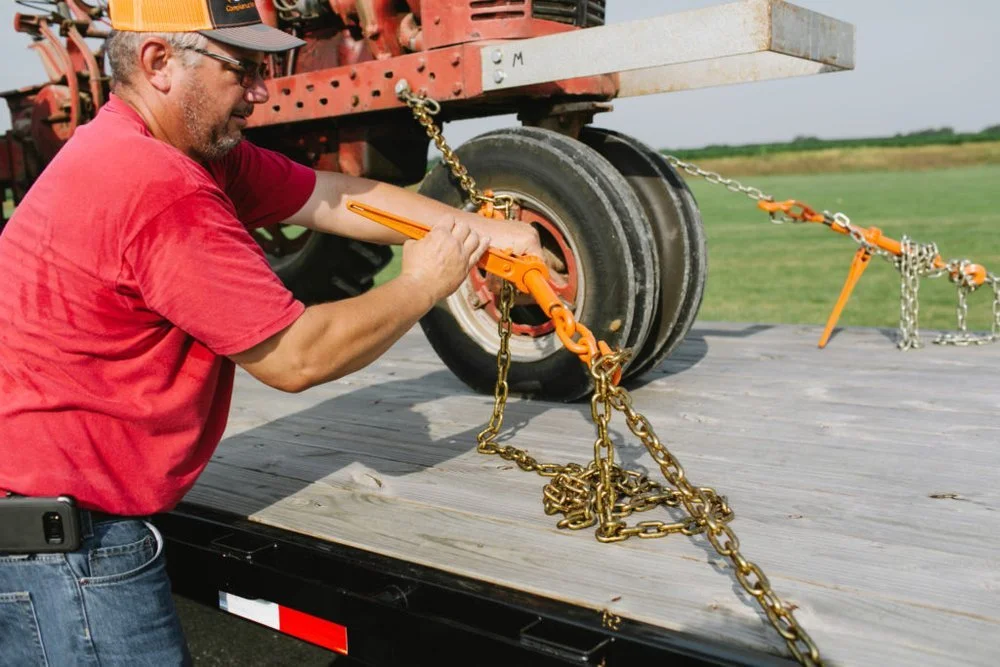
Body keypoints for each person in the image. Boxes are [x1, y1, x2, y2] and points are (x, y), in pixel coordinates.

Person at [0, 0, 541, 663]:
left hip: (54, 533)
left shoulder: (162, 146)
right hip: (69, 558)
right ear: (159, 62)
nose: (261, 91)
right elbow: (295, 357)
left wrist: (489, 233)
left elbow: (333, 196)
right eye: (244, 69)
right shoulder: (155, 182)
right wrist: (423, 284)